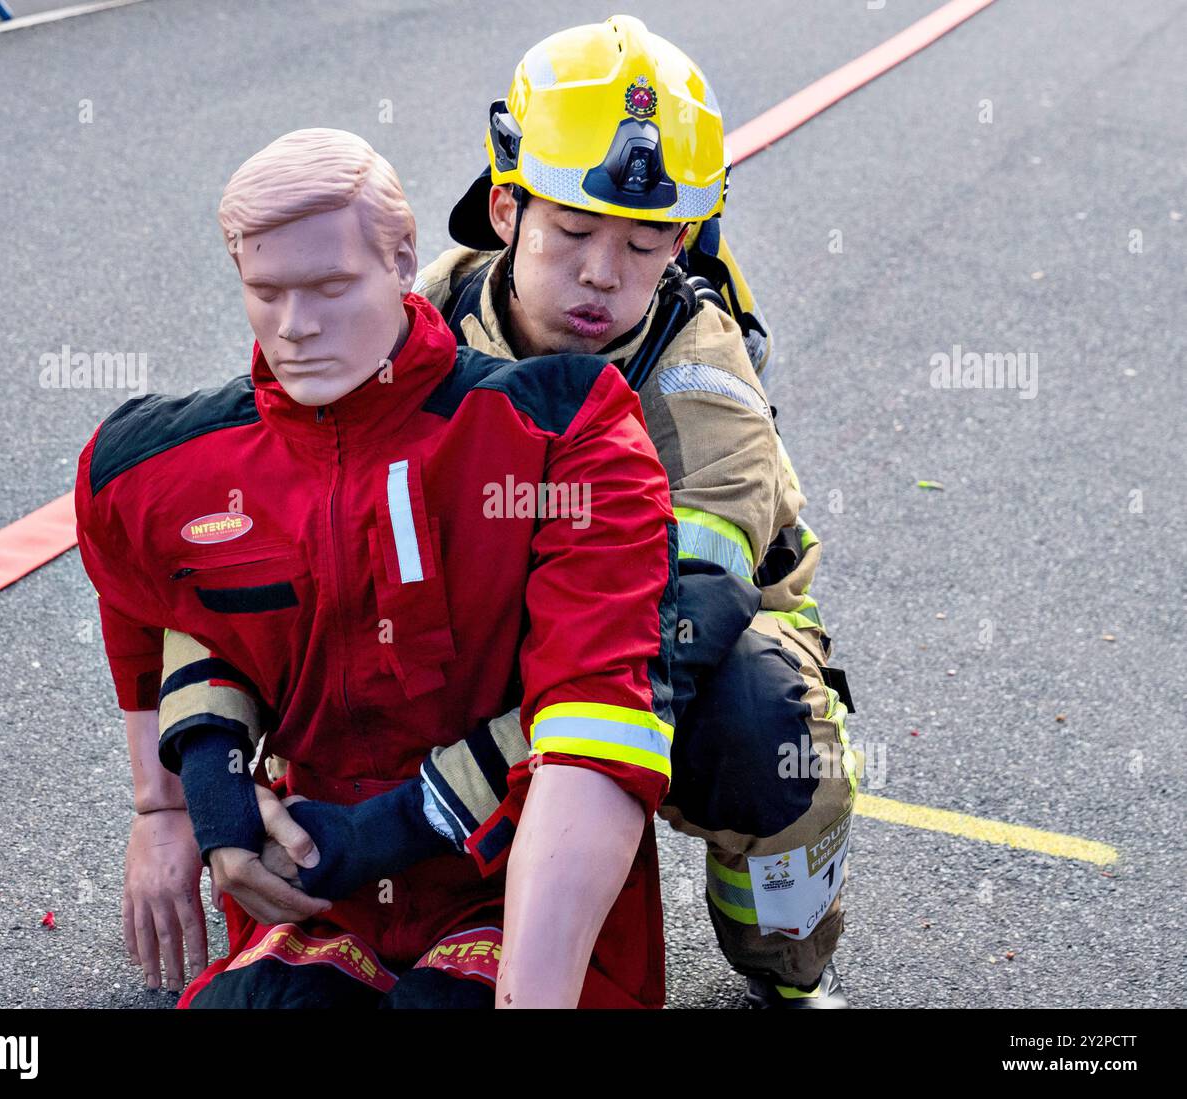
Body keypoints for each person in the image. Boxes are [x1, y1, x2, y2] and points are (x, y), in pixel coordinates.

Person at [147, 14, 859, 1008]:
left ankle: (782, 946)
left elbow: (655, 651)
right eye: (571, 230)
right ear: (505, 204)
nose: (602, 274)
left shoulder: (702, 392)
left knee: (759, 719)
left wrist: (402, 818)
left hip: (660, 654)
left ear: (683, 240)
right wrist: (203, 794)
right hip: (483, 632)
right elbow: (253, 536)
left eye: (645, 244)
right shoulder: (404, 316)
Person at [75, 127, 682, 1008]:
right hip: (316, 900)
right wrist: (173, 807)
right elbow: (152, 598)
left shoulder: (562, 434)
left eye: (330, 287)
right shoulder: (156, 466)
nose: (297, 326)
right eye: (265, 291)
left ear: (404, 259)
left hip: (507, 880)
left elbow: (597, 713)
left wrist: (531, 985)